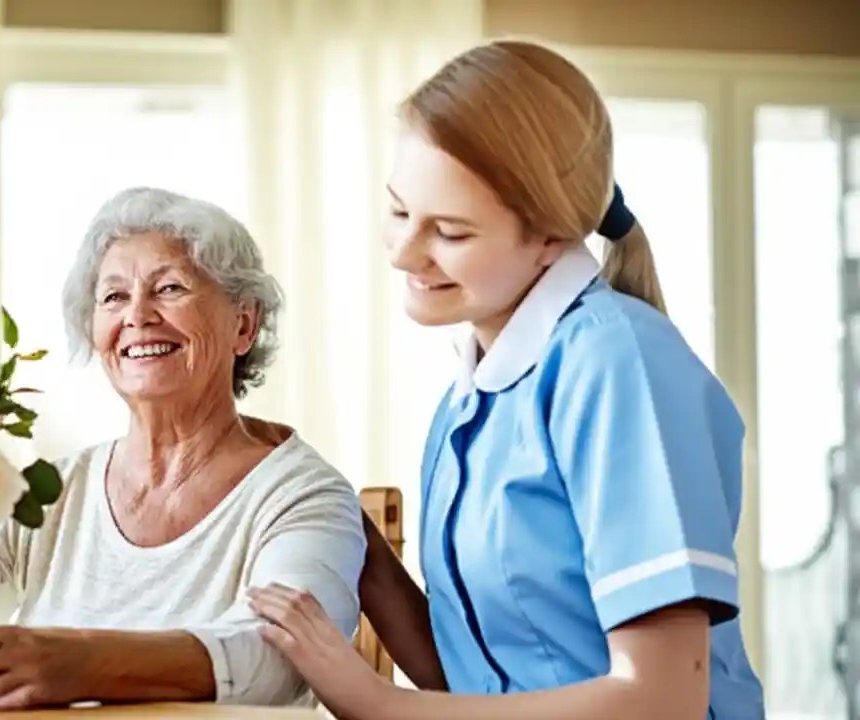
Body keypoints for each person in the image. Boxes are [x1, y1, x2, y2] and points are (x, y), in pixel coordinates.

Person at [249, 39, 765, 719]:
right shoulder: (470, 401)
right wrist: (346, 533)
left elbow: (661, 696)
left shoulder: (618, 366)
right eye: (400, 211)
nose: (404, 252)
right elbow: (477, 683)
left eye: (451, 233)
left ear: (550, 236)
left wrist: (380, 706)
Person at [0, 187, 367, 711]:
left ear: (244, 324)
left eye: (171, 288)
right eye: (112, 297)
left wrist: (82, 662)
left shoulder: (301, 494)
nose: (137, 316)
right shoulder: (51, 490)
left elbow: (285, 656)